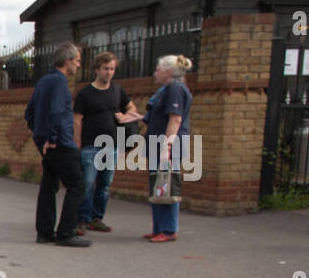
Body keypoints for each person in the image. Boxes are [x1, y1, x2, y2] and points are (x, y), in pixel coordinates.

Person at [24, 42, 91, 247]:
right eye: (77, 61)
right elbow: (55, 112)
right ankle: (66, 233)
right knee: (77, 185)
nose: (78, 65)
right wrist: (51, 139)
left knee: (49, 185)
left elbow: (30, 113)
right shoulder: (60, 82)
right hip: (60, 143)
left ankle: (44, 232)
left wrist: (40, 136)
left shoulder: (44, 81)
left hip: (47, 142)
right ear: (68, 60)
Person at [72, 52, 142, 232]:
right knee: (87, 183)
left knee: (104, 185)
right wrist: (77, 143)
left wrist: (126, 115)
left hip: (112, 146)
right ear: (96, 70)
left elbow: (132, 108)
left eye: (112, 69)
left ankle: (96, 218)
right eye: (105, 69)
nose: (109, 73)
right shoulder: (85, 93)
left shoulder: (118, 91)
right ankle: (82, 219)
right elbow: (77, 119)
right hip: (90, 145)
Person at [143, 54, 193, 242]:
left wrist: (167, 146)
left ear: (168, 71)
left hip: (168, 145)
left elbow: (175, 118)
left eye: (158, 69)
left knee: (167, 185)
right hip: (157, 143)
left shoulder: (176, 89)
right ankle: (159, 227)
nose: (155, 72)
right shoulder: (166, 90)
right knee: (158, 184)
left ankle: (168, 229)